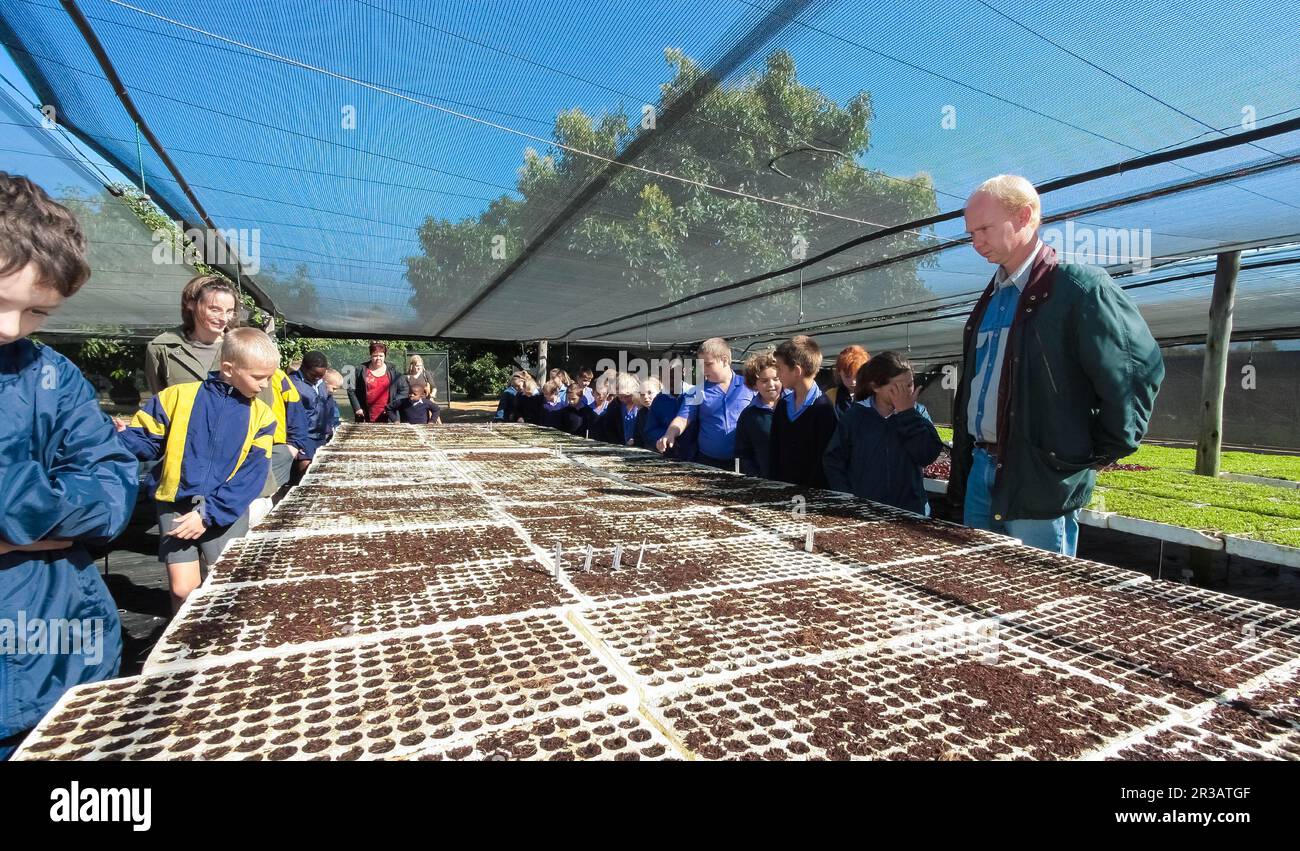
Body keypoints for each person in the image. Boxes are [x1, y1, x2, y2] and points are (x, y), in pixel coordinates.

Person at [948, 175, 1164, 556]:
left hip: (1040, 476)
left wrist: (1080, 453)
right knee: (980, 584)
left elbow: (1136, 369)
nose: (975, 241)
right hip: (982, 467)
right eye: (971, 233)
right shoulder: (993, 297)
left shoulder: (1078, 288)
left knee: (1038, 595)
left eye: (983, 229)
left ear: (1025, 216)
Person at [0, 173, 138, 760]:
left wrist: (16, 516)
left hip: (64, 662)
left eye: (34, 312)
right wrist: (46, 521)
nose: (10, 328)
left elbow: (112, 488)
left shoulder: (51, 378)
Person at [117, 327, 279, 611]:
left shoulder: (262, 416)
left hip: (225, 511)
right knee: (182, 590)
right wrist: (118, 438)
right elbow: (146, 441)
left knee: (224, 585)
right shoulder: (177, 397)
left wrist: (208, 514)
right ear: (228, 368)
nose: (265, 385)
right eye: (258, 377)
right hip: (176, 505)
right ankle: (180, 647)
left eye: (268, 377)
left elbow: (251, 475)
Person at [822, 352, 943, 514]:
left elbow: (928, 454)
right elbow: (833, 460)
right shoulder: (855, 417)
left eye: (910, 384)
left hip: (911, 512)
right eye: (897, 387)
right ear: (876, 387)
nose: (906, 392)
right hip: (865, 511)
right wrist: (848, 498)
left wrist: (907, 414)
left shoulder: (918, 413)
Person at [656, 337, 754, 469]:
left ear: (724, 360)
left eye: (708, 364)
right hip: (708, 461)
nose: (703, 370)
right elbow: (683, 418)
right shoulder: (696, 391)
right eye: (701, 365)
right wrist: (669, 434)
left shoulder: (750, 386)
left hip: (744, 461)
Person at [143, 274, 239, 395]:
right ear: (191, 304)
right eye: (215, 310)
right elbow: (160, 402)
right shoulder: (162, 348)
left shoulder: (244, 348)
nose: (224, 318)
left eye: (229, 311)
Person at [768, 335, 837, 487]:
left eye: (780, 368)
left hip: (811, 497)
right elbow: (774, 451)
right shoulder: (783, 405)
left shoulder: (824, 410)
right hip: (781, 492)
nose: (777, 374)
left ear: (797, 371)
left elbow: (823, 461)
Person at [734, 350, 782, 478]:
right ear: (755, 384)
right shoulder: (748, 416)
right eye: (764, 381)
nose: (771, 385)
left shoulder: (794, 406)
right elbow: (743, 453)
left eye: (776, 379)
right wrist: (755, 476)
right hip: (765, 481)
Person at [288, 350, 331, 482]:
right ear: (304, 368)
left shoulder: (321, 384)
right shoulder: (292, 384)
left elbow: (327, 407)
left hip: (320, 435)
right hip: (303, 436)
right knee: (305, 468)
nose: (318, 378)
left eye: (321, 375)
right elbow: (290, 415)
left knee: (319, 470)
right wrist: (294, 441)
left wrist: (329, 429)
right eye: (314, 375)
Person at [348, 341, 398, 423]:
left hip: (388, 414)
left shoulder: (393, 370)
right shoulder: (360, 370)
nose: (378, 358)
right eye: (375, 355)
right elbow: (350, 389)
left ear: (385, 356)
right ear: (370, 356)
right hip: (366, 414)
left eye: (381, 355)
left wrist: (393, 407)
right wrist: (357, 408)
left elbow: (402, 390)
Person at [824, 345, 869, 420]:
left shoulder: (874, 395)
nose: (853, 381)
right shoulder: (831, 396)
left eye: (856, 376)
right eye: (847, 376)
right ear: (839, 373)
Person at [321, 368, 344, 444]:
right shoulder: (317, 398)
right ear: (325, 383)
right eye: (333, 388)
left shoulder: (331, 400)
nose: (335, 391)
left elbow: (335, 417)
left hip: (328, 433)